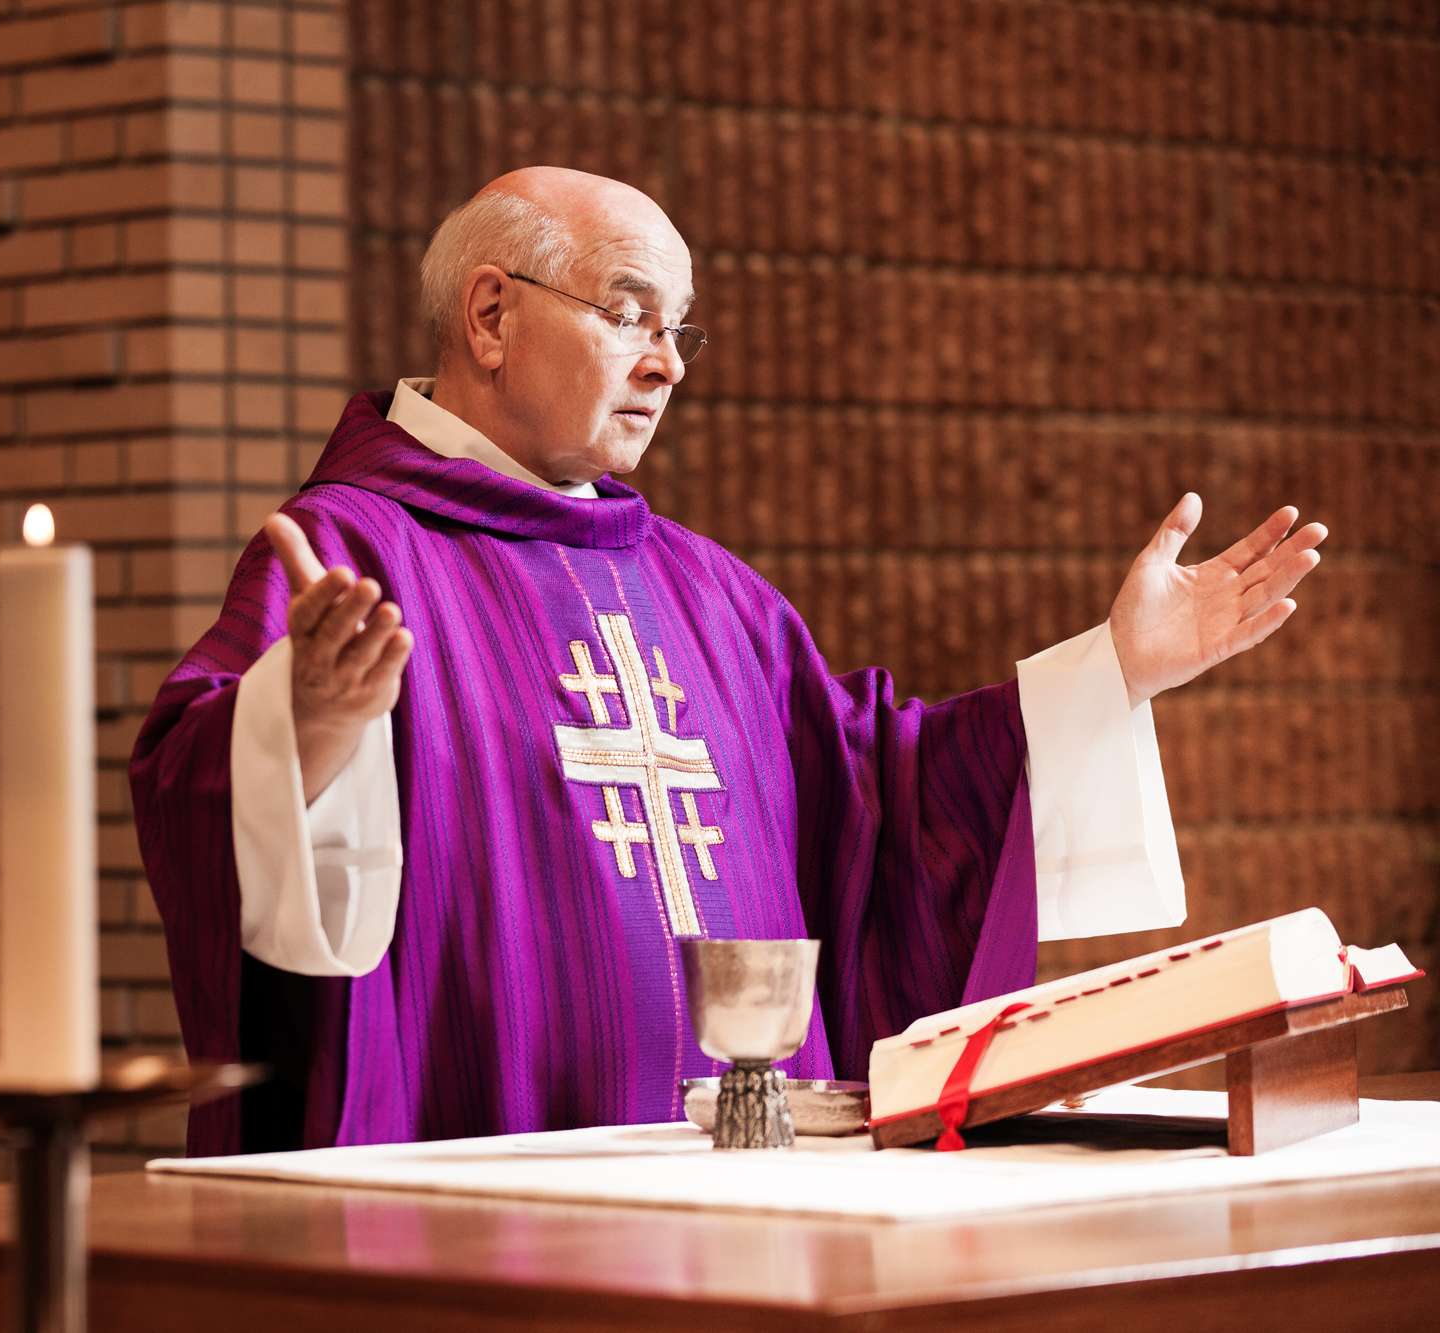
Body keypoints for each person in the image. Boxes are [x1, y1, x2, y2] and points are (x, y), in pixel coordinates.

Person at [129, 167, 1327, 1156]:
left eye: (678, 328)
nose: (668, 363)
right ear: (489, 318)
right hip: (491, 1182)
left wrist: (1108, 671)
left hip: (755, 1187)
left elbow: (875, 795)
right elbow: (192, 776)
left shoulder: (707, 591)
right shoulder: (355, 549)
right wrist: (306, 723)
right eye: (628, 314)